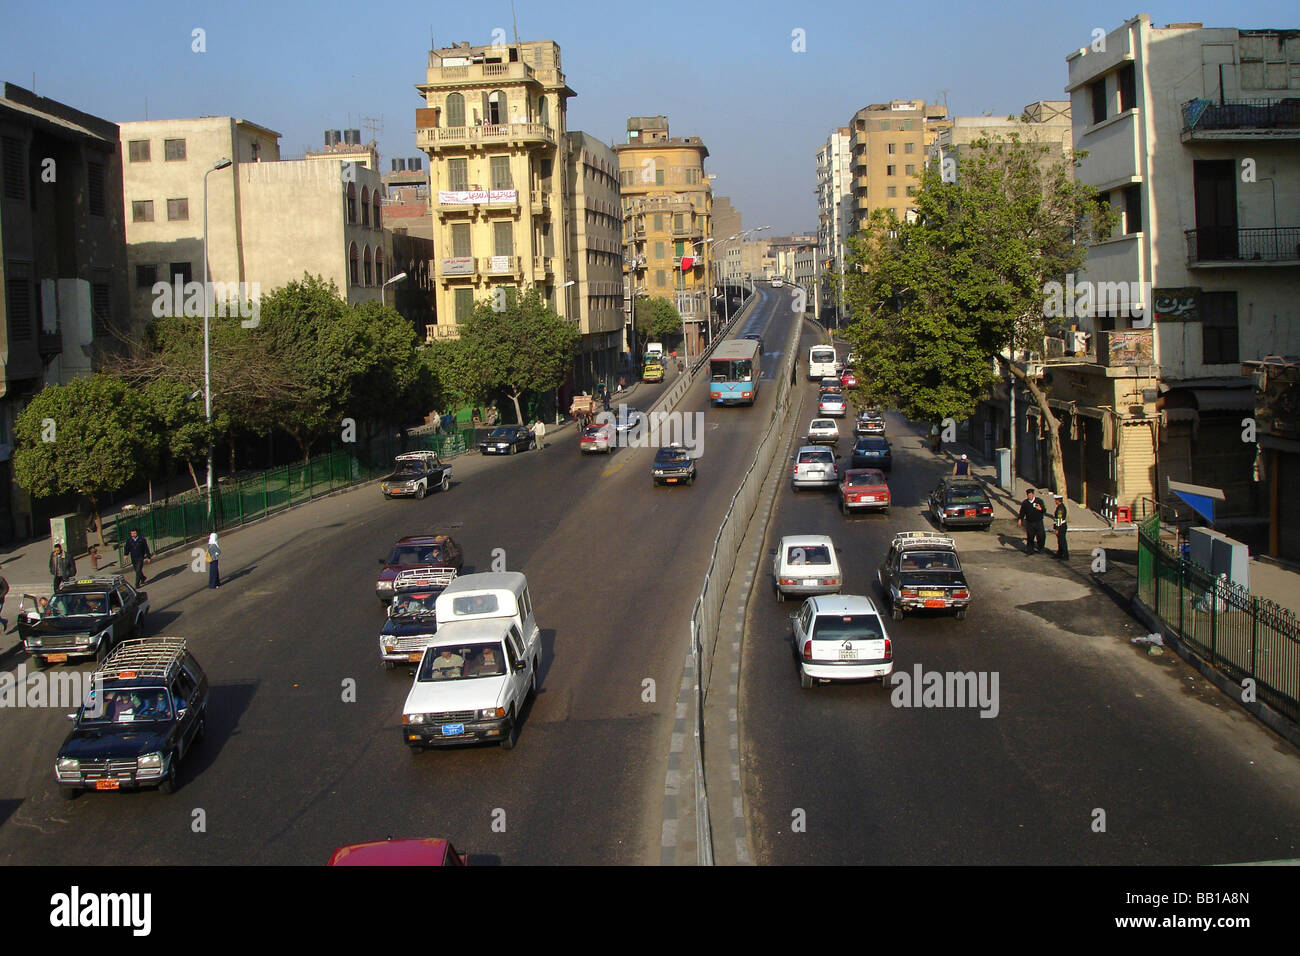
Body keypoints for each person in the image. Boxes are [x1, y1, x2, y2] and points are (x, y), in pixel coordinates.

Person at [1017, 488, 1047, 555]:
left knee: (1041, 536)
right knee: (1030, 536)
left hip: (1038, 522)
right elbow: (1022, 512)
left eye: (1031, 495)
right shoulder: (1025, 503)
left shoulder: (1039, 501)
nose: (1030, 496)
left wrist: (1040, 509)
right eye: (1028, 495)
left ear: (1033, 495)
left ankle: (1041, 548)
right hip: (1030, 522)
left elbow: (1044, 510)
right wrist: (1020, 519)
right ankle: (1030, 550)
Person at [1052, 494, 1069, 560]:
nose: (1055, 501)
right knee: (1060, 541)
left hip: (1061, 527)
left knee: (1062, 541)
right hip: (1061, 525)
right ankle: (1060, 553)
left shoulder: (1060, 509)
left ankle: (1065, 555)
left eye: (1055, 500)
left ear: (1058, 500)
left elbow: (1059, 518)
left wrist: (1057, 529)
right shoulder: (1060, 507)